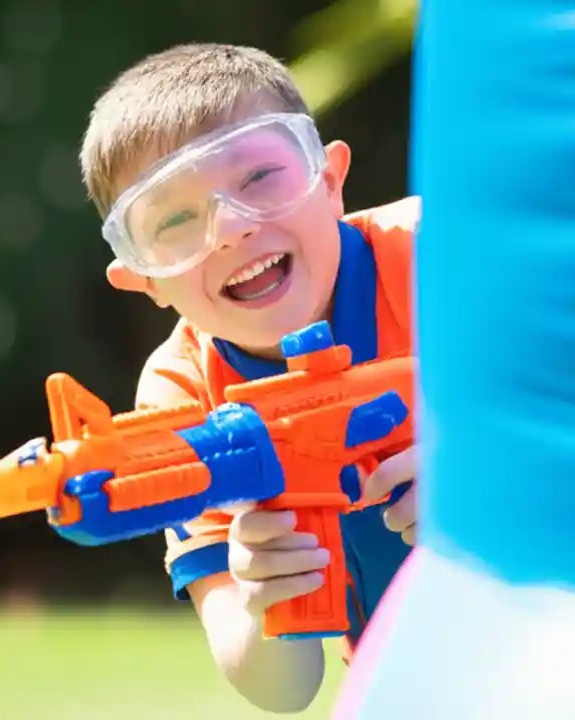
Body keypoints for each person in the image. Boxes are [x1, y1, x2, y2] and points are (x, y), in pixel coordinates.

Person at [75, 42, 420, 713]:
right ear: (144, 280)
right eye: (175, 219)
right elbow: (282, 690)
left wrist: (493, 485)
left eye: (260, 178)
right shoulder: (180, 396)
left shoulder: (441, 257)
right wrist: (264, 596)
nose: (231, 226)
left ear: (330, 179)